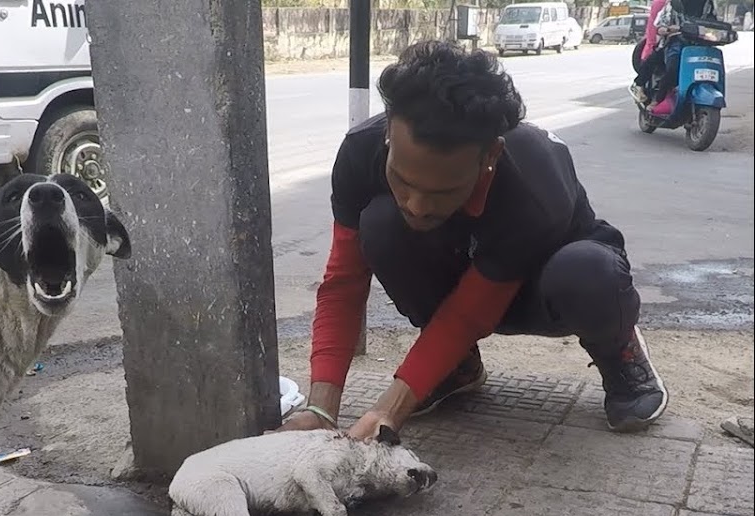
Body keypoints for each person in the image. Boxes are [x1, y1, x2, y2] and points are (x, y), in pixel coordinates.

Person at [275, 40, 668, 442]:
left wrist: (390, 409)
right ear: (389, 130)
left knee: (587, 272)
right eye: (404, 181)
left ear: (490, 156)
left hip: (543, 287)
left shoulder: (533, 181)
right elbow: (343, 283)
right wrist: (321, 409)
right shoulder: (360, 151)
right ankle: (457, 366)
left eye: (445, 190)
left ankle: (617, 348)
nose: (418, 204)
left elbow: (469, 313)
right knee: (380, 224)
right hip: (466, 267)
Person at [630, 0, 670, 104]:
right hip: (666, 43)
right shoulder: (664, 4)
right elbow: (655, 30)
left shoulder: (707, 5)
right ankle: (641, 85)